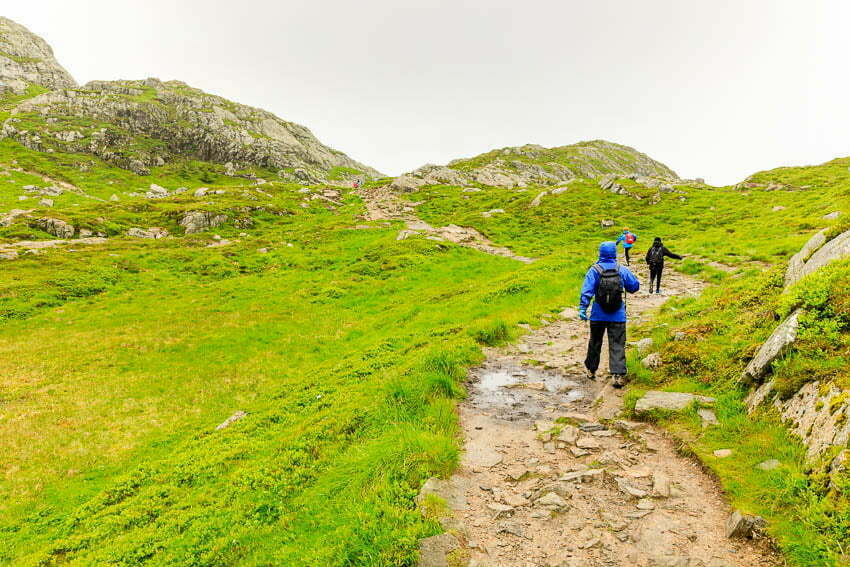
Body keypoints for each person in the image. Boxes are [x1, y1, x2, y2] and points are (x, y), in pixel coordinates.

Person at [578, 241, 640, 388]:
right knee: (617, 343)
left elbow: (586, 291)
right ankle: (617, 375)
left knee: (595, 342)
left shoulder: (594, 270)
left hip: (597, 314)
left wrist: (582, 308)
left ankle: (591, 370)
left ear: (600, 253)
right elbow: (634, 287)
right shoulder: (621, 269)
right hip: (618, 315)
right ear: (614, 253)